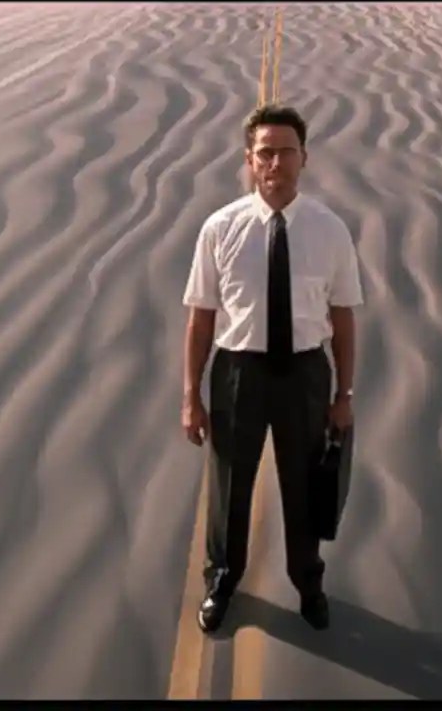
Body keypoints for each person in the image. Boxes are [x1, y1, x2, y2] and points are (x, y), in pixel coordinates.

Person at [181, 103, 363, 634]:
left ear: (304, 158)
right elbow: (200, 318)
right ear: (249, 159)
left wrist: (344, 394)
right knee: (229, 485)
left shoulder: (330, 230)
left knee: (305, 484)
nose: (275, 162)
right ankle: (222, 579)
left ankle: (309, 583)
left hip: (305, 375)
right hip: (238, 373)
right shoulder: (220, 228)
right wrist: (191, 395)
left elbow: (343, 317)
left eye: (286, 151)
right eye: (265, 152)